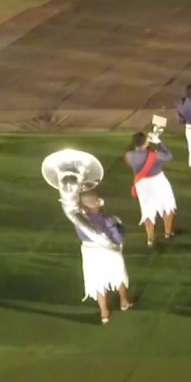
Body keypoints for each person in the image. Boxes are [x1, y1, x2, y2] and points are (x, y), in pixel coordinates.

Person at [72, 189, 132, 324]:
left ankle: (104, 313)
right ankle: (124, 302)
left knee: (97, 281)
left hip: (89, 252)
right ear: (95, 204)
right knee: (118, 274)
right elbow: (118, 238)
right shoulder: (106, 220)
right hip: (107, 250)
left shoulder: (78, 220)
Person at [125, 132, 176, 245]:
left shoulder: (129, 155)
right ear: (146, 142)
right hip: (158, 181)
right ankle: (168, 232)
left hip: (142, 184)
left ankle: (150, 238)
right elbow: (169, 156)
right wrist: (158, 142)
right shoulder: (154, 155)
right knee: (167, 205)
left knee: (147, 210)